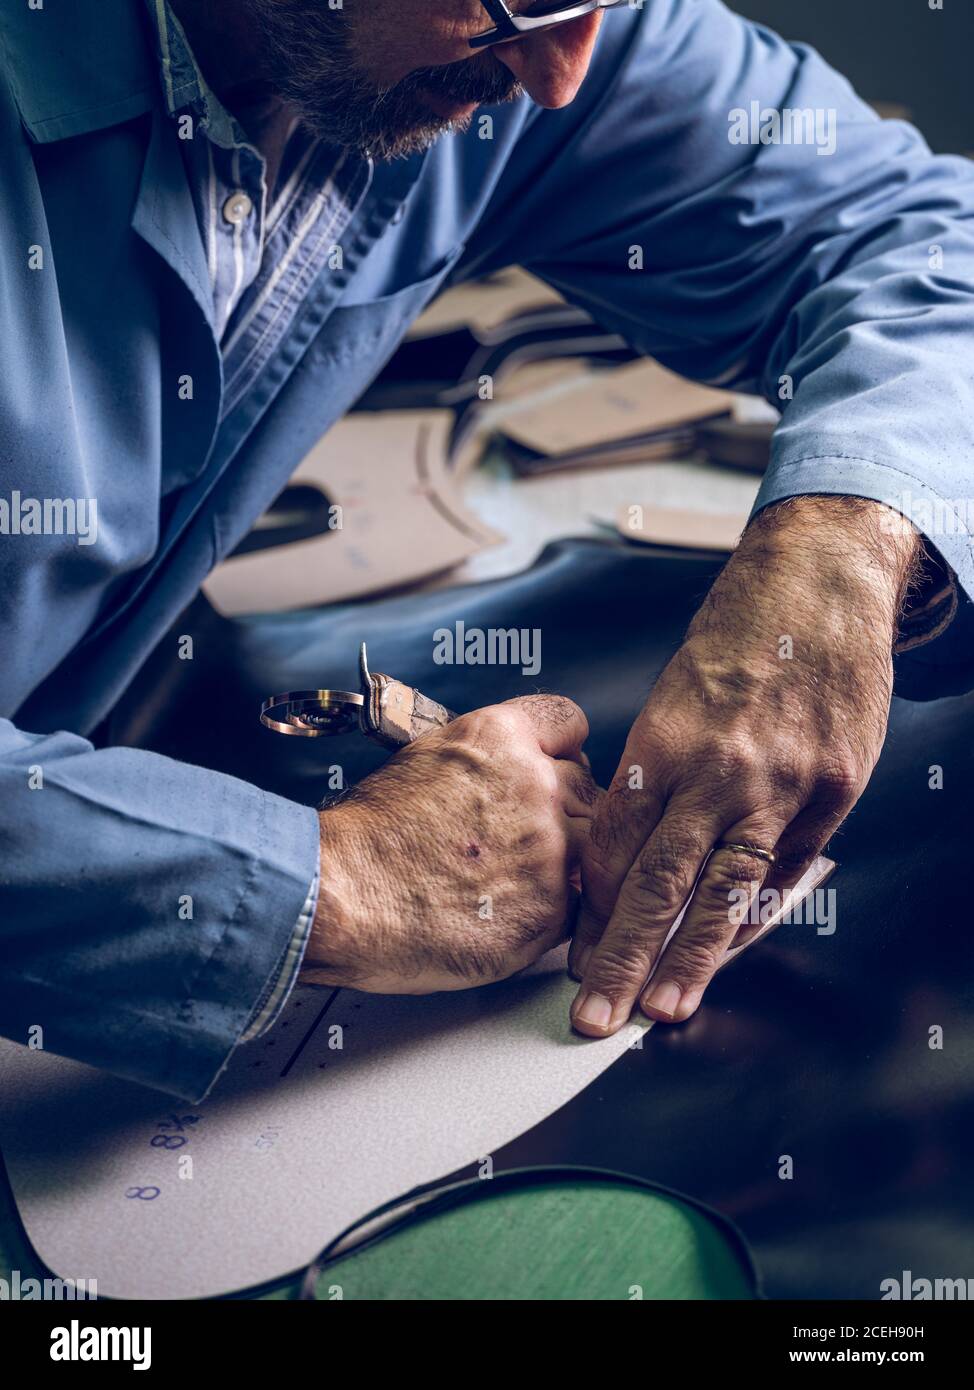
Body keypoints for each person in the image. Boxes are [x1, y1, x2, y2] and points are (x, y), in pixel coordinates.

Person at [2, 0, 972, 1100]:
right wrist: (328, 884)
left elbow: (911, 233)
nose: (559, 73)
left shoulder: (523, 39)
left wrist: (840, 542)